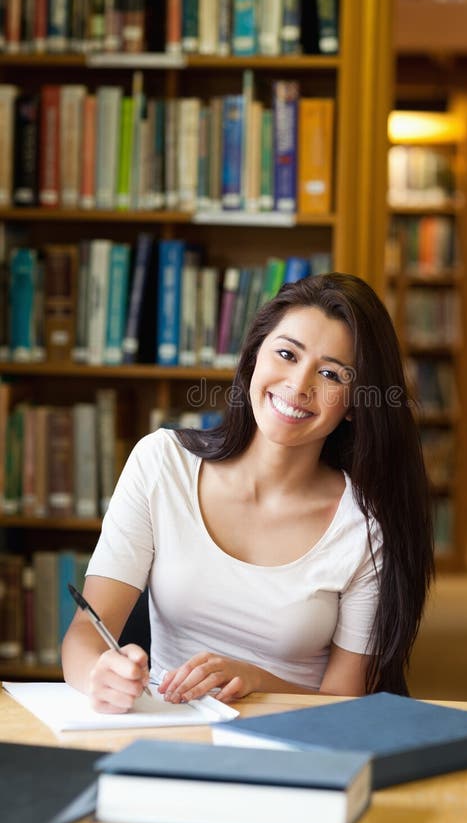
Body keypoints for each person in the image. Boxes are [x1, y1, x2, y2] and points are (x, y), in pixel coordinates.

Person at [62, 273, 434, 713]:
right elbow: (87, 632)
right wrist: (97, 675)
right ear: (254, 356)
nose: (299, 385)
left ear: (355, 403)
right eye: (286, 354)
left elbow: (346, 702)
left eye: (331, 373)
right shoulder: (161, 463)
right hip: (165, 731)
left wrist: (255, 679)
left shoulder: (366, 526)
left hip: (294, 744)